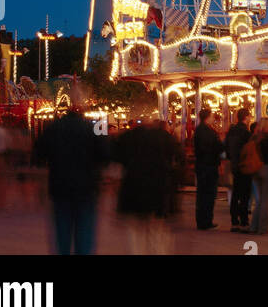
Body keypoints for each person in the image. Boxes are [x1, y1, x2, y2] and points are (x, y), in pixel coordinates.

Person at [35, 108, 107, 254]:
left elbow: (39, 153)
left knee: (62, 229)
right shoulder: (92, 128)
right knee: (85, 229)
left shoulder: (54, 127)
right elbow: (104, 154)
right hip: (87, 186)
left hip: (60, 184)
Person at [112, 115, 177, 254]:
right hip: (157, 186)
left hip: (133, 187)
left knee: (136, 229)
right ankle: (159, 251)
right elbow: (173, 158)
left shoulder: (126, 137)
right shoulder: (163, 137)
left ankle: (138, 251)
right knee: (156, 227)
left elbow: (118, 160)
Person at [192, 109, 223, 230]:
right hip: (208, 166)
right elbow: (214, 148)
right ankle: (206, 221)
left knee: (203, 194)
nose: (213, 118)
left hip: (203, 165)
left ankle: (203, 220)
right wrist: (220, 143)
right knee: (208, 194)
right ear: (207, 117)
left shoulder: (200, 130)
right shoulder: (207, 132)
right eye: (212, 116)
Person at [224, 108, 253, 232]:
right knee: (245, 195)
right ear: (246, 117)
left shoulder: (231, 131)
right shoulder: (246, 133)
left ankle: (234, 222)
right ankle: (244, 221)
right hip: (244, 165)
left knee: (235, 194)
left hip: (234, 165)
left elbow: (226, 147)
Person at [249, 120, 268, 235]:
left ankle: (254, 226)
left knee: (259, 200)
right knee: (266, 200)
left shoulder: (254, 138)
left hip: (255, 169)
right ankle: (263, 227)